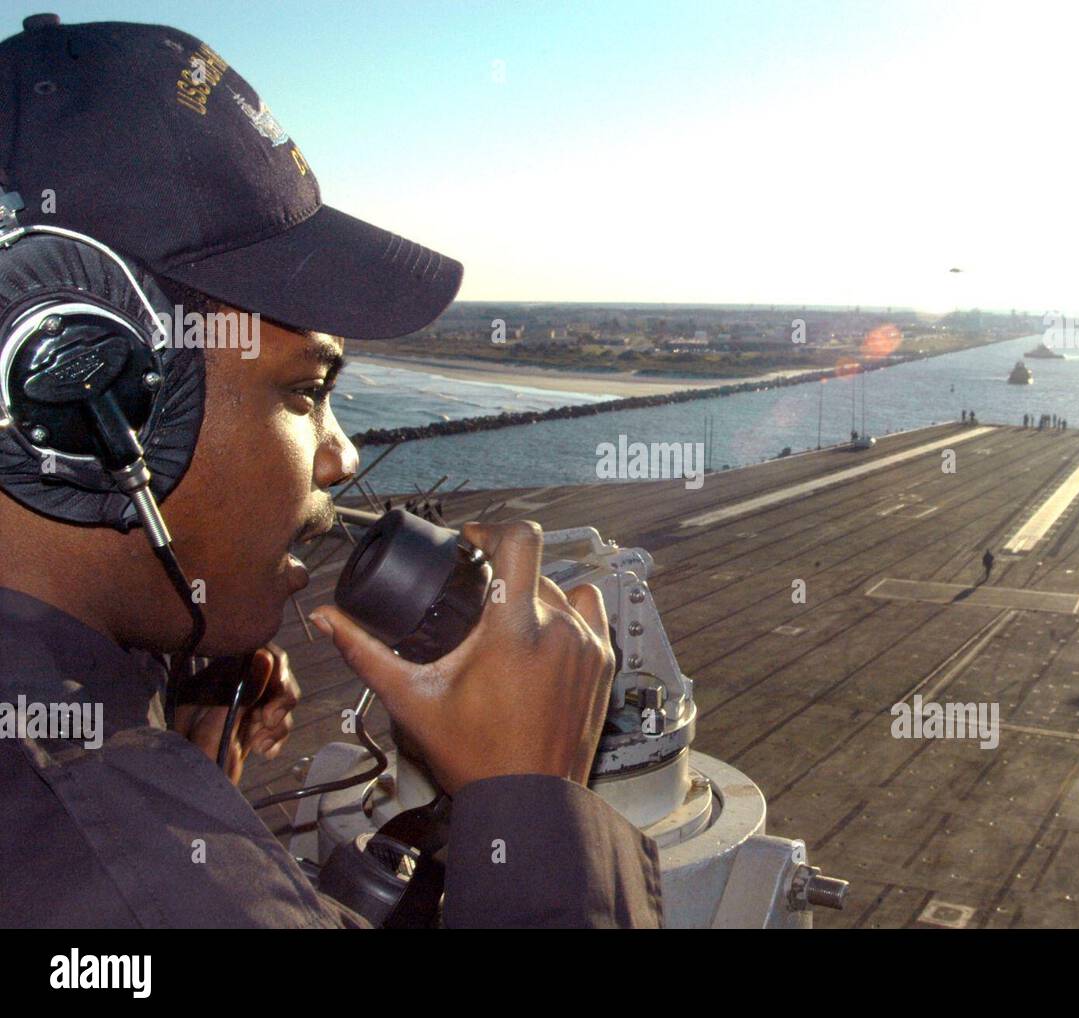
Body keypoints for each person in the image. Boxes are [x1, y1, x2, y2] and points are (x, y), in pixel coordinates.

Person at [0, 15, 660, 928]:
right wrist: (535, 805)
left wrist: (158, 705)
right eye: (307, 391)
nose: (341, 456)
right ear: (81, 386)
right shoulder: (138, 884)